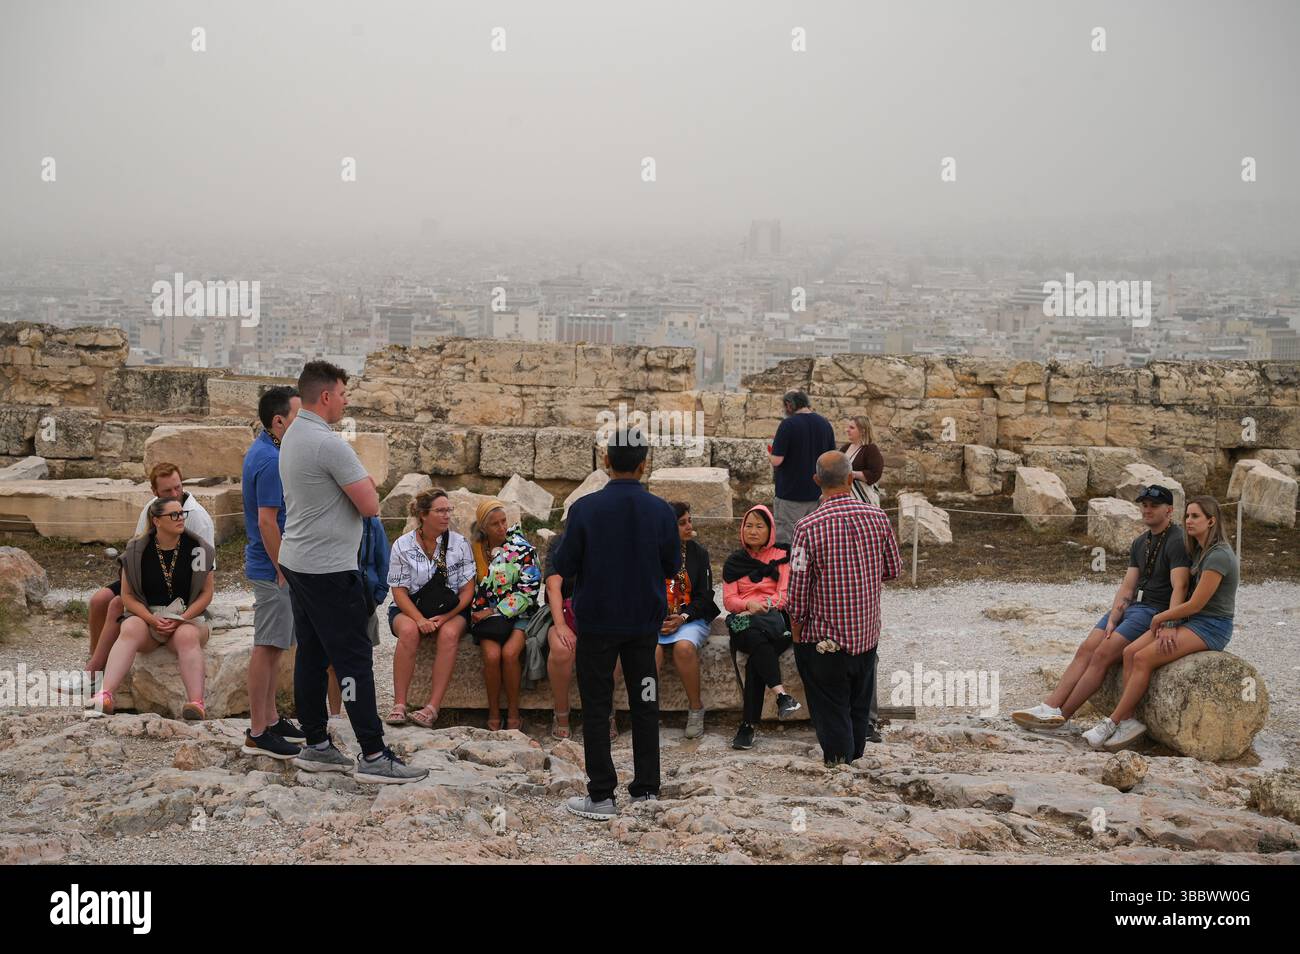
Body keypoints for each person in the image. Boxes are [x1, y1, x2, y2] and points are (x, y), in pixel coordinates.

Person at [278, 360, 427, 784]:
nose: (346, 401)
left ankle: (316, 744)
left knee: (311, 654)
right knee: (354, 659)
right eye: (343, 394)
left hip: (299, 559)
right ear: (325, 396)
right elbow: (370, 505)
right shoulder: (329, 443)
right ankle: (375, 753)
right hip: (328, 567)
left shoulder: (292, 434)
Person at [552, 426, 680, 821]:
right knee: (645, 702)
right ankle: (645, 790)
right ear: (644, 464)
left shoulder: (584, 509)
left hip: (597, 624)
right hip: (642, 625)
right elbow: (672, 566)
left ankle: (602, 794)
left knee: (596, 705)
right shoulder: (661, 511)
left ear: (605, 461)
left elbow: (565, 565)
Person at [1011, 484, 1190, 733]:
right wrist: (1114, 616)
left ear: (1169, 510)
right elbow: (1127, 587)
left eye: (1154, 506)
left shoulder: (1177, 540)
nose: (1147, 510)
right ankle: (1050, 706)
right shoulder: (1140, 542)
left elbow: (1179, 586)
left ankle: (1062, 717)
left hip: (1153, 610)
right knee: (1086, 648)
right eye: (1144, 505)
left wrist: (1170, 623)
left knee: (1102, 654)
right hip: (1134, 606)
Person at [1084, 496, 1239, 751]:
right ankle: (1130, 720)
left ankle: (1113, 721)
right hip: (1190, 620)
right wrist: (1170, 620)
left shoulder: (1219, 555)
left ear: (1211, 521)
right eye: (1187, 516)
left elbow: (1197, 604)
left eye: (1196, 516)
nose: (1188, 521)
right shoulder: (1199, 551)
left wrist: (1163, 618)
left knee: (1144, 658)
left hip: (1211, 625)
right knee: (1130, 651)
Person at [787, 451, 901, 765]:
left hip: (824, 639)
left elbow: (796, 591)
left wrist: (797, 634)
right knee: (858, 705)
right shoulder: (878, 517)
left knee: (830, 707)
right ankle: (855, 758)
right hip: (866, 633)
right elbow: (892, 569)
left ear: (816, 481)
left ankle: (840, 765)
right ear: (851, 479)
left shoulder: (806, 527)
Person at [67, 462, 215, 695]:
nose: (175, 493)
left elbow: (206, 569)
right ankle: (96, 666)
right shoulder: (151, 509)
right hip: (150, 572)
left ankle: (94, 670)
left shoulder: (196, 517)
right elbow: (137, 549)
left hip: (179, 581)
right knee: (99, 601)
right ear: (155, 492)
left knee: (117, 604)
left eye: (178, 487)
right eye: (167, 491)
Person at [85, 497, 215, 719]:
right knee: (130, 628)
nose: (180, 518)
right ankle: (106, 694)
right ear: (156, 520)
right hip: (148, 617)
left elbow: (206, 593)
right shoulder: (137, 550)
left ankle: (196, 703)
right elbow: (126, 595)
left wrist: (182, 618)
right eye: (173, 515)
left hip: (188, 616)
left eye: (182, 513)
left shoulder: (197, 548)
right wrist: (151, 619)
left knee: (186, 637)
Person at [240, 386, 307, 760]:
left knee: (277, 645)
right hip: (272, 568)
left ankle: (271, 717)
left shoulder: (269, 449)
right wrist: (284, 569)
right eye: (298, 418)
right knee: (266, 647)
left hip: (272, 564)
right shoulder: (269, 461)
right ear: (279, 421)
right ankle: (258, 731)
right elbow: (268, 521)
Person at [386, 488, 474, 727]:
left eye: (449, 510)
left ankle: (432, 707)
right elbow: (399, 592)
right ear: (423, 515)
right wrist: (419, 620)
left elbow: (467, 591)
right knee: (408, 631)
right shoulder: (402, 545)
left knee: (448, 634)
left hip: (451, 608)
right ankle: (400, 704)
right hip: (410, 607)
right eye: (440, 511)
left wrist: (445, 618)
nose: (447, 515)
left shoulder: (459, 543)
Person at [722, 503, 801, 750]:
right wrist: (749, 605)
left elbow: (785, 594)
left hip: (775, 620)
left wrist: (765, 603)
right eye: (749, 525)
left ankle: (748, 725)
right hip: (744, 621)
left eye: (759, 526)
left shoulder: (782, 556)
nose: (753, 531)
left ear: (770, 530)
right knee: (756, 640)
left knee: (758, 653)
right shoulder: (734, 561)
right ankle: (781, 696)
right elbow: (728, 600)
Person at [468, 499, 542, 730]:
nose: (501, 528)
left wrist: (496, 610)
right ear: (483, 528)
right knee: (491, 656)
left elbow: (530, 590)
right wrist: (481, 611)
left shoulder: (523, 549)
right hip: (487, 617)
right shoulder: (474, 549)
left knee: (510, 654)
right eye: (494, 524)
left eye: (503, 522)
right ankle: (492, 711)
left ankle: (513, 711)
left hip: (519, 612)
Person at [657, 502, 720, 739]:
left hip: (690, 618)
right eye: (682, 523)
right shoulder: (652, 552)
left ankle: (695, 708)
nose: (689, 526)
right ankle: (647, 709)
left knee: (684, 648)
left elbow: (705, 596)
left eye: (690, 521)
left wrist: (682, 617)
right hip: (658, 620)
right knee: (650, 651)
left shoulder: (698, 553)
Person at [328, 514, 392, 717]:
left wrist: (379, 595)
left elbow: (383, 559)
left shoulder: (372, 524)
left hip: (365, 597)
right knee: (333, 663)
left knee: (360, 661)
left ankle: (356, 710)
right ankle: (337, 714)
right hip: (335, 596)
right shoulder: (332, 519)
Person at [769, 390, 836, 545]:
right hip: (818, 493)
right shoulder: (825, 424)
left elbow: (777, 461)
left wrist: (770, 455)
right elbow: (831, 457)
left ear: (789, 405)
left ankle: (790, 570)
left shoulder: (788, 425)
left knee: (788, 542)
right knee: (815, 540)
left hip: (791, 494)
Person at [840, 414, 885, 507]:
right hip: (844, 498)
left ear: (863, 431)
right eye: (848, 427)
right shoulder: (845, 448)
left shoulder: (870, 449)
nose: (847, 430)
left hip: (863, 499)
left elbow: (875, 474)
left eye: (852, 428)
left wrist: (853, 474)